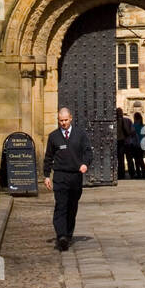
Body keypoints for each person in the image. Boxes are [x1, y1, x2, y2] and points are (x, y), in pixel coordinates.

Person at [43, 106, 91, 250]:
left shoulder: (80, 135)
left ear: (70, 118)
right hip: (60, 176)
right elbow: (48, 157)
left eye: (65, 120)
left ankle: (68, 234)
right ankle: (61, 235)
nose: (63, 123)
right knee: (61, 206)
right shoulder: (53, 137)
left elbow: (88, 152)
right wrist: (46, 176)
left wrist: (85, 164)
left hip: (75, 176)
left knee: (72, 206)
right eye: (60, 121)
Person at [115, 107, 133, 181]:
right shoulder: (115, 121)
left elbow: (130, 131)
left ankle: (131, 173)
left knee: (128, 159)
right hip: (121, 142)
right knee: (122, 159)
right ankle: (122, 174)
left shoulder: (127, 120)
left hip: (125, 141)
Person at [130, 111, 145, 179]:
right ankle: (143, 173)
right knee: (141, 160)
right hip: (141, 145)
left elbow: (132, 135)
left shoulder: (134, 126)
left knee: (136, 160)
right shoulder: (143, 126)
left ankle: (138, 174)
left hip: (135, 145)